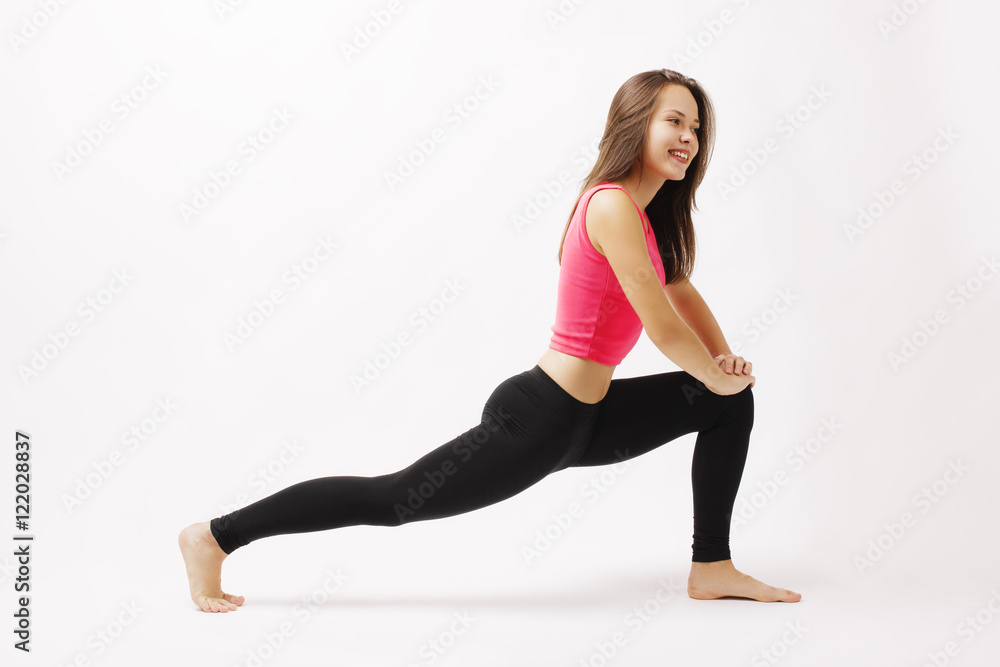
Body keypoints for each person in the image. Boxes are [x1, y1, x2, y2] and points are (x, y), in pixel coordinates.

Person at [179, 68, 802, 612]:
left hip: (590, 418)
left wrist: (721, 365)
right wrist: (712, 372)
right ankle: (216, 535)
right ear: (636, 124)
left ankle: (711, 567)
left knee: (728, 401)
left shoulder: (645, 215)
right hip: (541, 418)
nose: (689, 137)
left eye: (696, 126)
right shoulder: (610, 205)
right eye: (675, 120)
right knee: (395, 499)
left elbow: (682, 296)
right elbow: (661, 324)